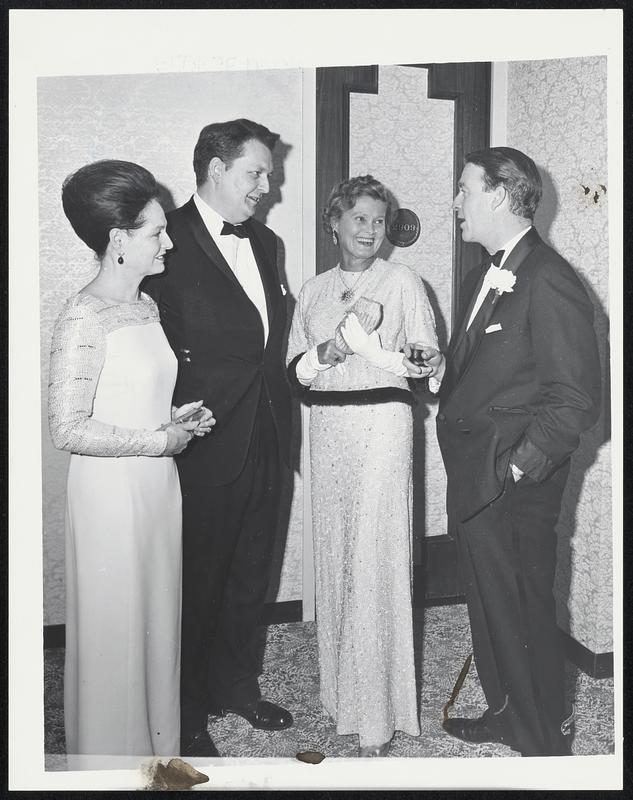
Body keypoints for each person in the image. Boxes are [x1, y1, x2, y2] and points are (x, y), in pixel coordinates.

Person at [416, 147, 601, 756]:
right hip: (474, 475)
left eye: (464, 189)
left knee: (522, 608)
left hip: (512, 483)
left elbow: (572, 399)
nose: (456, 203)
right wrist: (441, 368)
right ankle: (506, 713)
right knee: (489, 604)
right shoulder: (482, 274)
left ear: (499, 193)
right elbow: (492, 374)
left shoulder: (551, 279)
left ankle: (544, 742)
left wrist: (518, 468)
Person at [48, 160, 215, 760]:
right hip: (110, 496)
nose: (167, 242)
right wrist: (157, 440)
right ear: (118, 240)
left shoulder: (145, 307)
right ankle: (113, 763)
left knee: (155, 618)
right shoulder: (82, 317)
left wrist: (178, 418)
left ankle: (158, 754)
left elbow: (134, 395)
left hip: (155, 486)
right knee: (118, 631)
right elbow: (66, 427)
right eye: (155, 233)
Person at [144, 119, 293, 758]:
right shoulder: (163, 240)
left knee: (250, 574)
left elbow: (270, 344)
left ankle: (237, 685)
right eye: (255, 173)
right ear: (214, 169)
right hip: (204, 440)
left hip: (267, 433)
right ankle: (188, 711)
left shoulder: (266, 243)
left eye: (268, 173)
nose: (267, 185)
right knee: (198, 583)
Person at [286, 175, 438, 756]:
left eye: (378, 221)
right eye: (359, 219)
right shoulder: (313, 290)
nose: (370, 231)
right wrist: (323, 354)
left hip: (383, 422)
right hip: (327, 428)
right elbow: (297, 370)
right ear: (334, 223)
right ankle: (341, 697)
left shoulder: (403, 281)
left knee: (375, 552)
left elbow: (425, 360)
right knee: (339, 547)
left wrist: (394, 354)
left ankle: (378, 713)